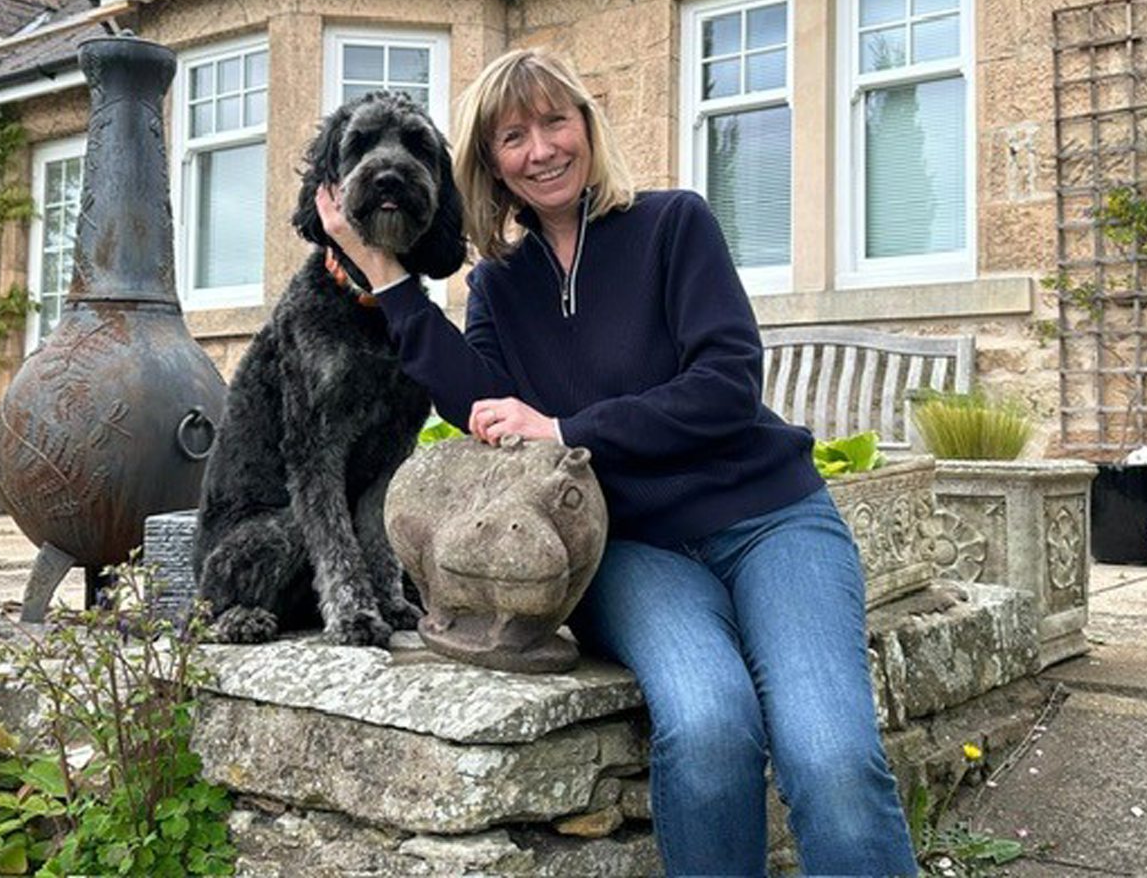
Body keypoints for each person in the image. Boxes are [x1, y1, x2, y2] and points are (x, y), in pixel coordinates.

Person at [315, 49, 918, 877]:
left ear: (588, 128)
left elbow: (726, 385)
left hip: (770, 520)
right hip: (631, 549)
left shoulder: (676, 224)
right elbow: (484, 409)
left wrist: (564, 424)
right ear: (490, 164)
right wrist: (385, 277)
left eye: (556, 121)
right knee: (708, 727)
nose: (542, 149)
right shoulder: (498, 285)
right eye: (513, 135)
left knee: (831, 755)